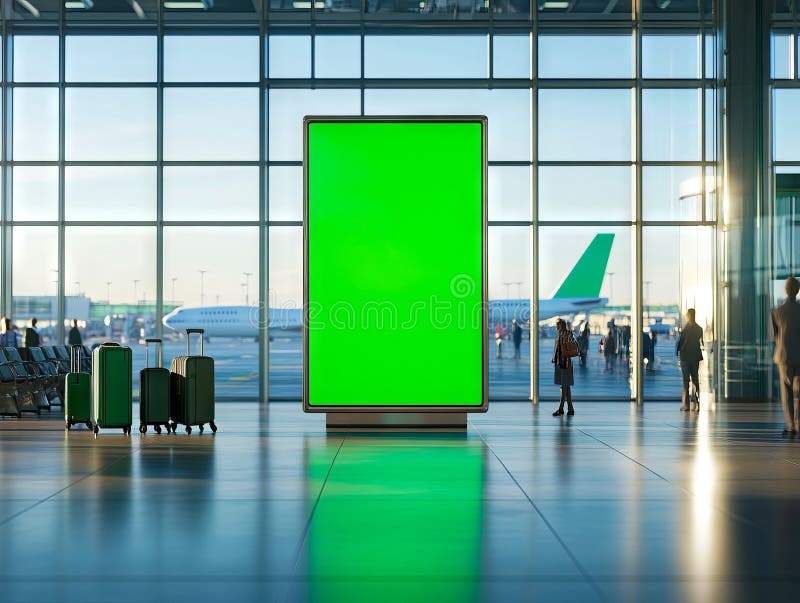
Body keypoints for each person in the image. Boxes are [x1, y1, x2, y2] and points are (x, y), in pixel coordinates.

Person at [771, 277, 800, 434]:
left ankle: (790, 425)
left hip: (784, 356)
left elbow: (774, 336)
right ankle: (798, 422)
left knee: (787, 393)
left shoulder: (778, 311)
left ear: (786, 290)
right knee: (798, 393)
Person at [676, 308, 704, 412]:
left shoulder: (686, 329)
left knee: (686, 382)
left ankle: (686, 405)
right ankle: (697, 404)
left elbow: (680, 343)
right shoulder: (699, 329)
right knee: (695, 381)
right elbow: (701, 342)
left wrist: (678, 353)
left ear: (688, 316)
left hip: (686, 358)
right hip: (695, 357)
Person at [552, 318, 576, 416]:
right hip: (565, 362)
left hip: (564, 362)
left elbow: (560, 348)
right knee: (566, 386)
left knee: (564, 385)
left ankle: (561, 408)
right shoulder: (564, 334)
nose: (556, 326)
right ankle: (570, 408)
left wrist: (554, 358)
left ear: (562, 324)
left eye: (558, 324)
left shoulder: (563, 334)